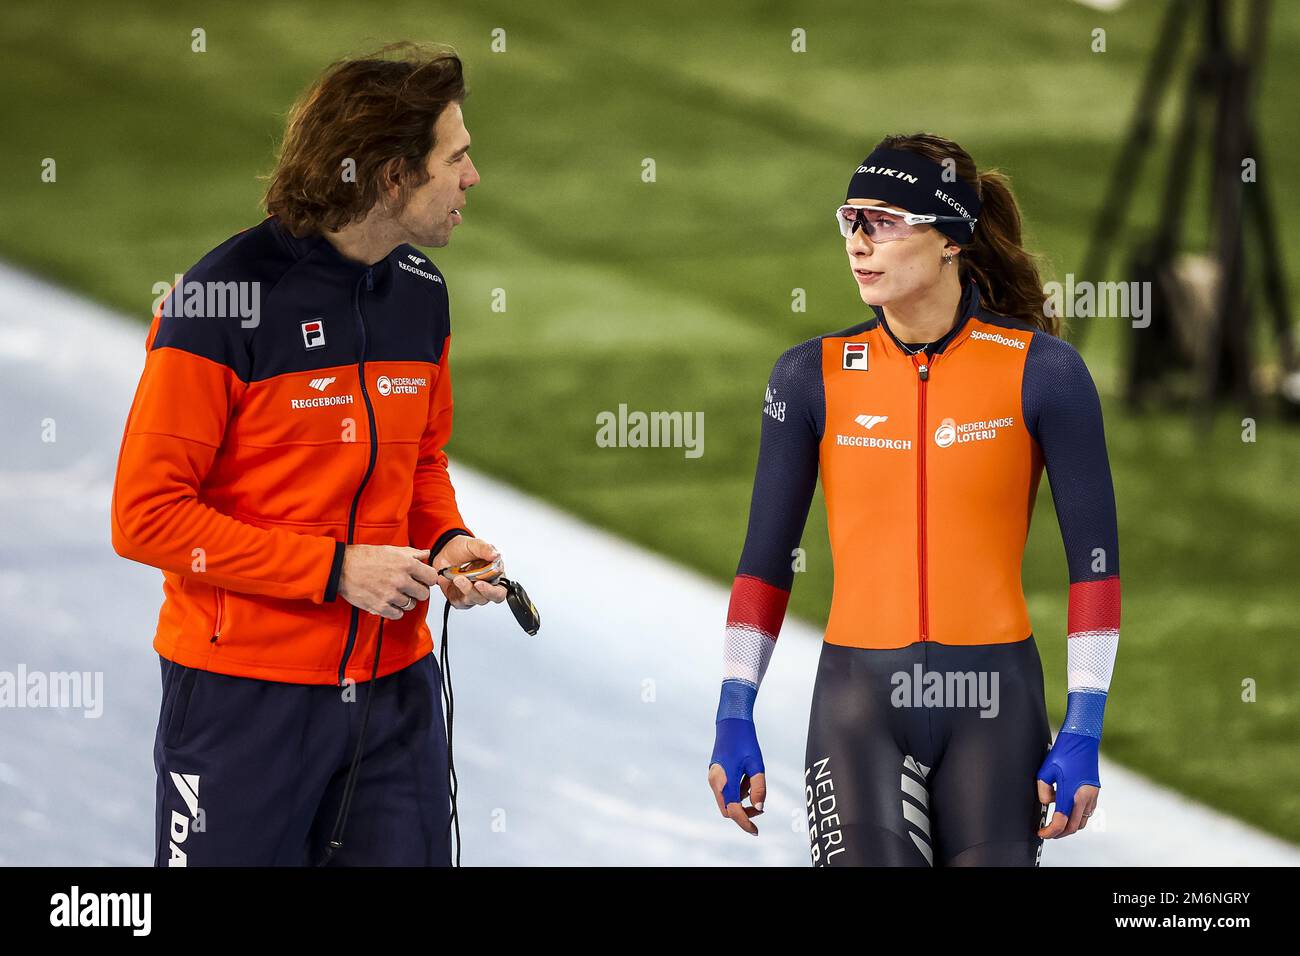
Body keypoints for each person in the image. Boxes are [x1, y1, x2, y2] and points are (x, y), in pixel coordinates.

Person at [111, 43, 504, 866]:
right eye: (456, 156)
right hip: (244, 698)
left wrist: (445, 542)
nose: (473, 176)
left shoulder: (420, 294)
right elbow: (146, 518)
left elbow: (420, 463)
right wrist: (333, 571)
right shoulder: (222, 303)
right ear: (393, 175)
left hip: (395, 693)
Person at [707, 133, 1121, 866]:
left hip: (996, 710)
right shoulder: (809, 377)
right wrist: (734, 710)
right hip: (857, 709)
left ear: (951, 239)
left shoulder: (1045, 374)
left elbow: (1095, 568)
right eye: (851, 220)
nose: (860, 243)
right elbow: (765, 562)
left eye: (886, 222)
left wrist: (1085, 728)